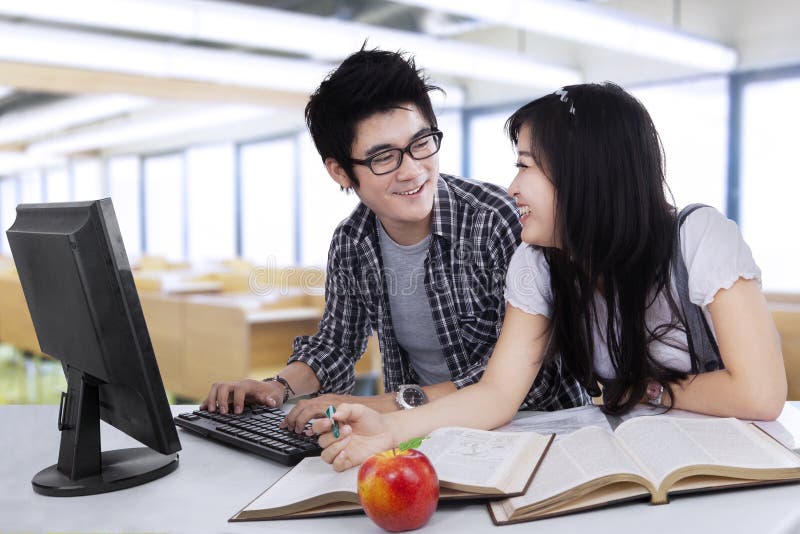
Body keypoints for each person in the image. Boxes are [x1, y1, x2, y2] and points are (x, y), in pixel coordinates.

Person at [312, 82, 787, 471]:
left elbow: (760, 394)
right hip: (637, 459)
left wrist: (650, 389)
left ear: (584, 175)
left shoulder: (699, 239)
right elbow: (497, 394)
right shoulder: (539, 262)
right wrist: (391, 430)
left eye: (525, 167)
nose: (513, 187)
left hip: (737, 467)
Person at [200, 48, 589, 431]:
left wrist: (383, 405)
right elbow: (336, 345)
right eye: (384, 157)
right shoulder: (353, 242)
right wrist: (276, 388)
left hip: (540, 429)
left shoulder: (495, 220)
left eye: (421, 144)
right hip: (424, 433)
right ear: (339, 171)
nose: (412, 171)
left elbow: (527, 379)